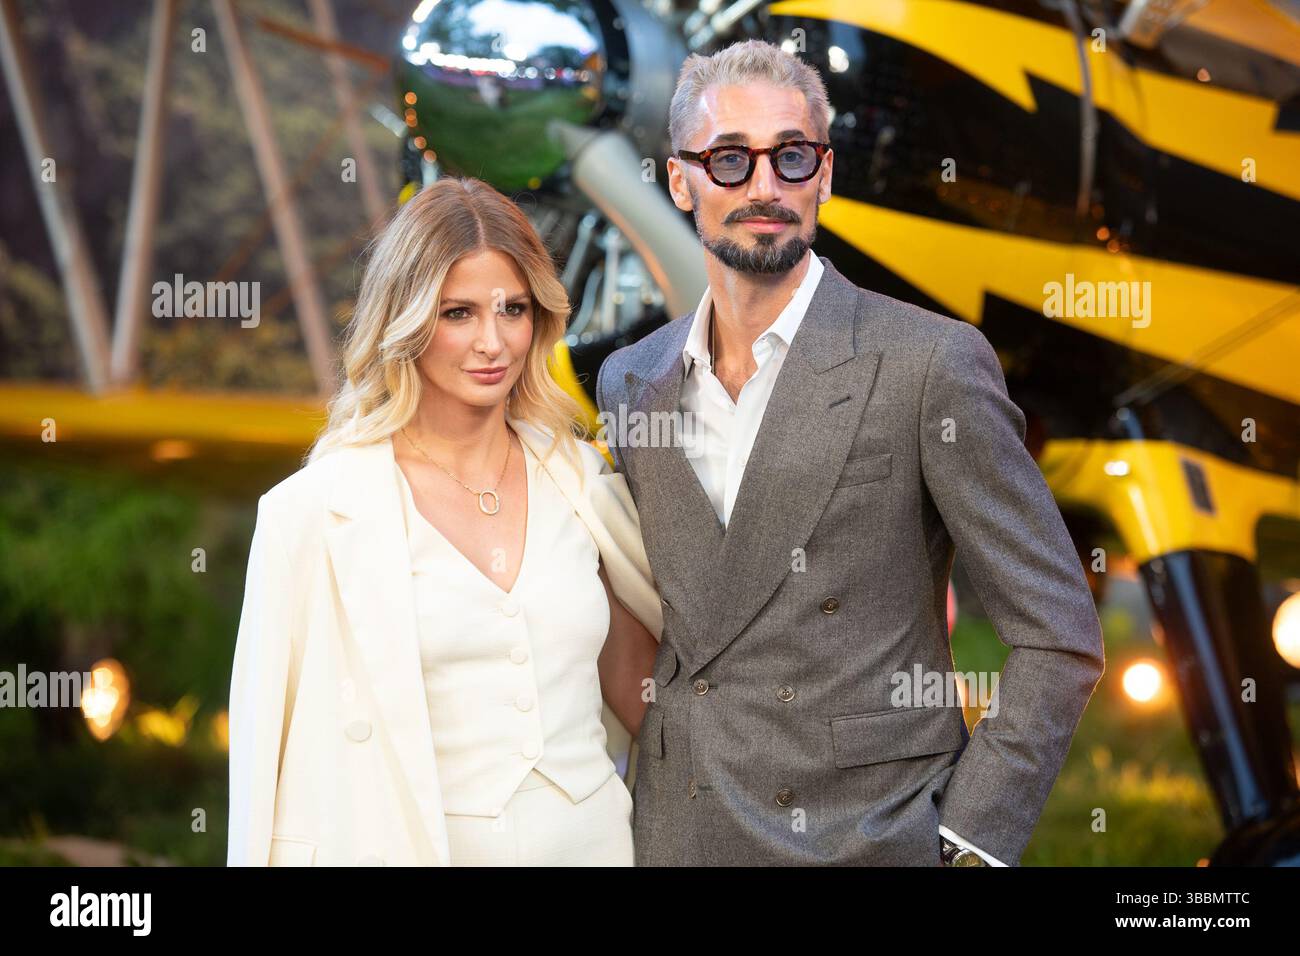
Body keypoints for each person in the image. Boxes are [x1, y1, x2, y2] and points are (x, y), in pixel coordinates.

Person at [595, 39, 1105, 866]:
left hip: (869, 837)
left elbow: (1058, 632)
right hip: (677, 833)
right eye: (730, 160)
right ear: (680, 180)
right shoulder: (630, 381)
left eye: (791, 157)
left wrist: (967, 842)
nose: (765, 188)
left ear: (825, 175)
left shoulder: (930, 363)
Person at [228, 176, 662, 866]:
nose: (491, 342)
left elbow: (650, 699)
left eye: (512, 309)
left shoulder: (583, 482)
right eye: (457, 313)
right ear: (404, 320)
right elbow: (261, 775)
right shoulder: (309, 515)